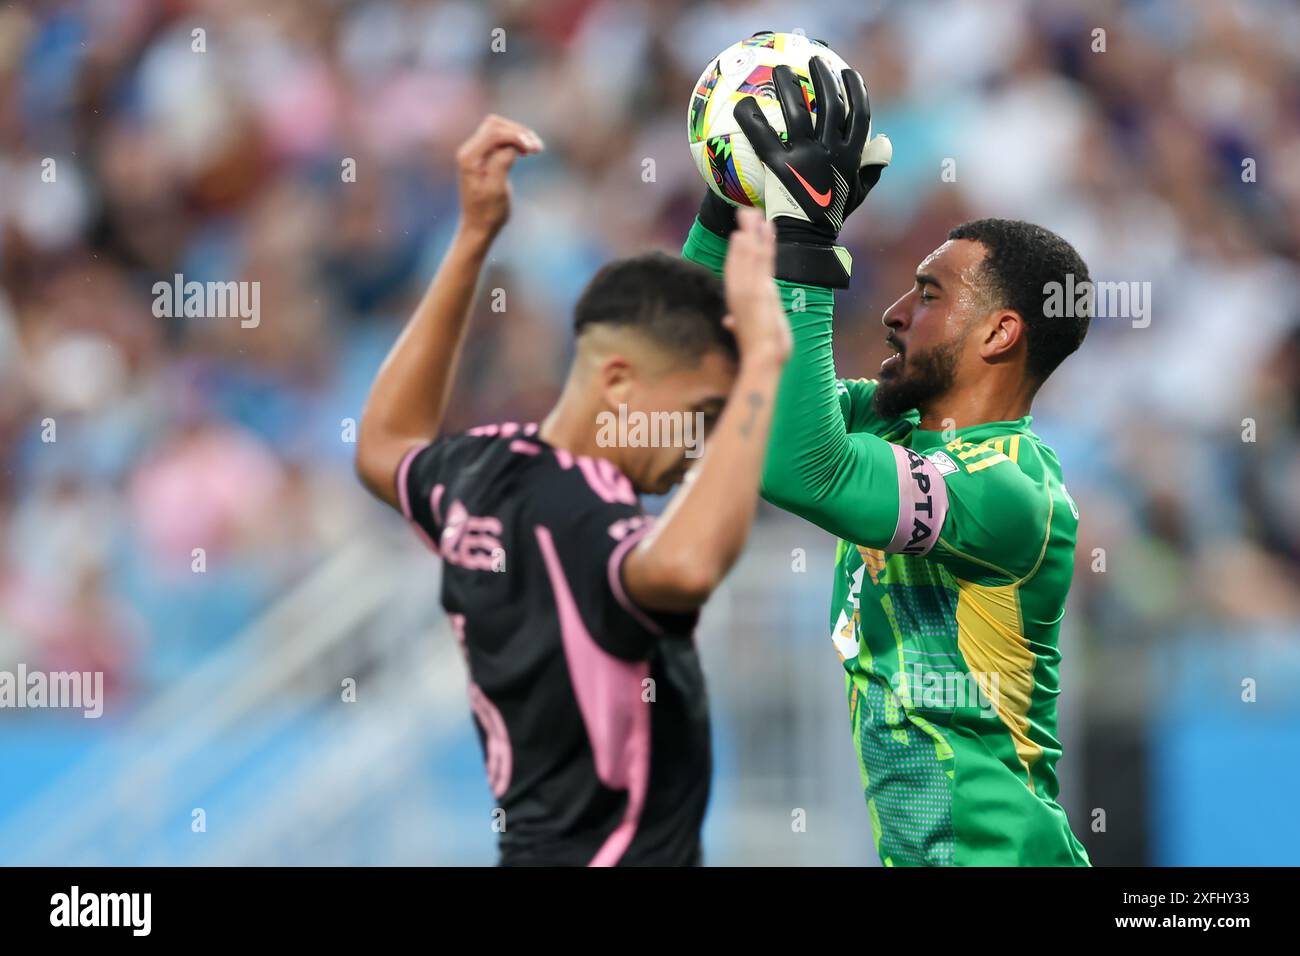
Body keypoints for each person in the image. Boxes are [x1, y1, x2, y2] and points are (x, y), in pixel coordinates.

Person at [682, 57, 1091, 865]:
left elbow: (805, 470)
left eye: (931, 295)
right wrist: (738, 200)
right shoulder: (892, 419)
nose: (897, 314)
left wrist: (804, 237)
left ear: (1001, 333)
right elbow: (702, 386)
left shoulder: (1012, 490)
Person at [355, 114, 791, 865]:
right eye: (701, 416)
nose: (700, 450)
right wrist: (763, 362)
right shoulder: (587, 505)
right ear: (618, 381)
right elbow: (683, 569)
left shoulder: (479, 473)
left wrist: (472, 236)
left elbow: (383, 447)